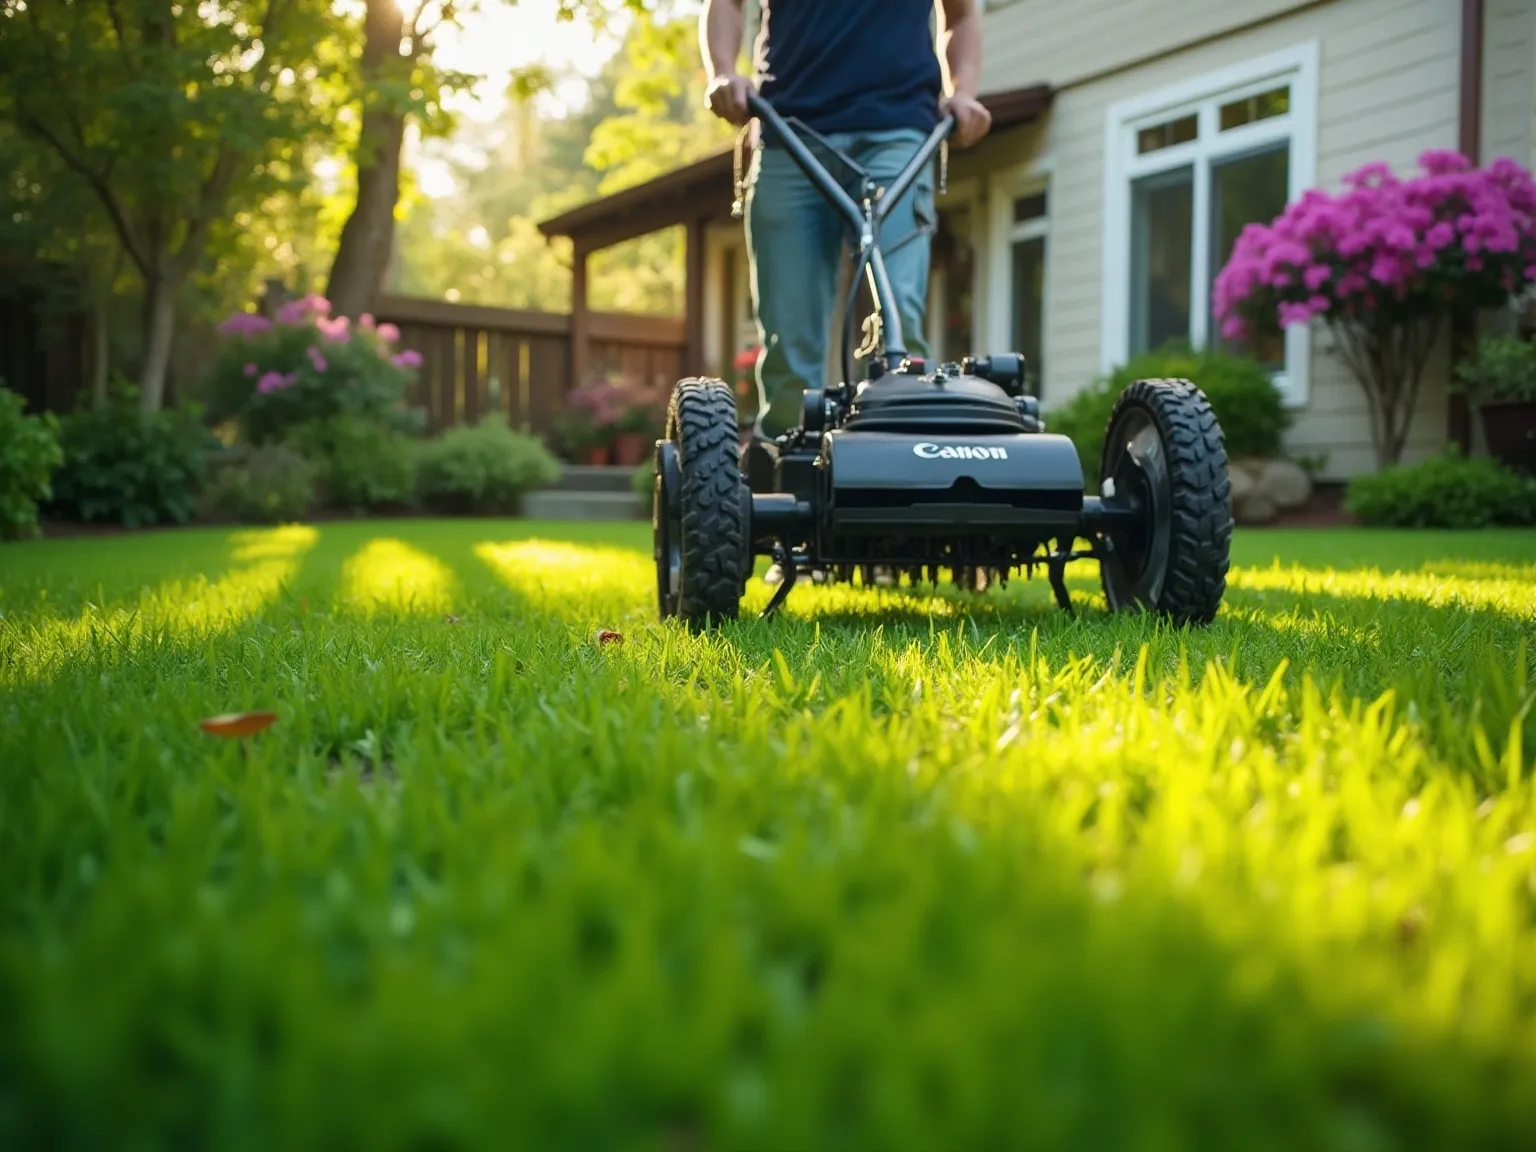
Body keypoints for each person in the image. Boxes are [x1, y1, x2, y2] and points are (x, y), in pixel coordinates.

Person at [701, 0, 991, 585]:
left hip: (900, 129)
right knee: (789, 339)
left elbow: (962, 15)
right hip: (787, 128)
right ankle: (789, 522)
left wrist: (964, 90)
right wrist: (722, 71)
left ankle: (905, 520)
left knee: (897, 322)